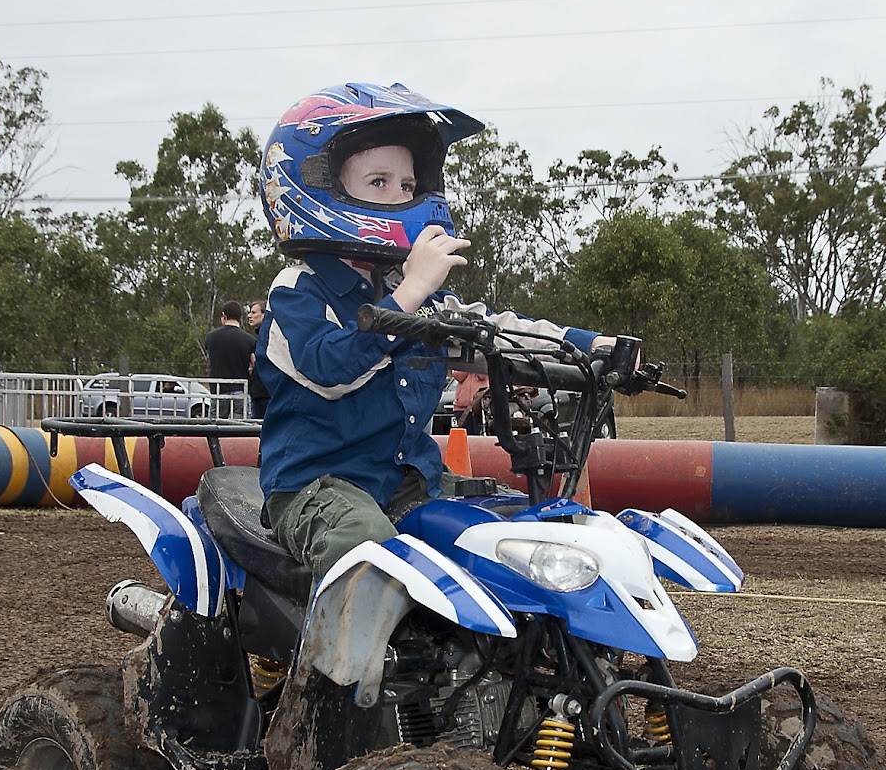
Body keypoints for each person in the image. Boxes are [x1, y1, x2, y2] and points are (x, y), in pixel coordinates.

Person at [254, 81, 609, 584]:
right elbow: (329, 370)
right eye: (379, 181)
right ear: (315, 186)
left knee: (509, 533)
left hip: (409, 479)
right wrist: (408, 296)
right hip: (318, 488)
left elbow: (489, 330)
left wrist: (588, 345)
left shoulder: (410, 291)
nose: (400, 196)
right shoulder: (298, 291)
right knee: (365, 549)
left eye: (407, 184)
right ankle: (338, 665)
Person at [203, 299, 254, 419]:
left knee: (215, 428)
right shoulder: (249, 340)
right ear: (240, 318)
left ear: (224, 316)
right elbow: (254, 364)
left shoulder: (211, 337)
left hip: (218, 389)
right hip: (241, 389)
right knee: (240, 430)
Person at [244, 299, 271, 420]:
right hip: (258, 393)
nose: (249, 315)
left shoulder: (270, 337)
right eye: (249, 312)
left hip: (266, 394)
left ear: (264, 314)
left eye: (254, 312)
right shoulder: (260, 337)